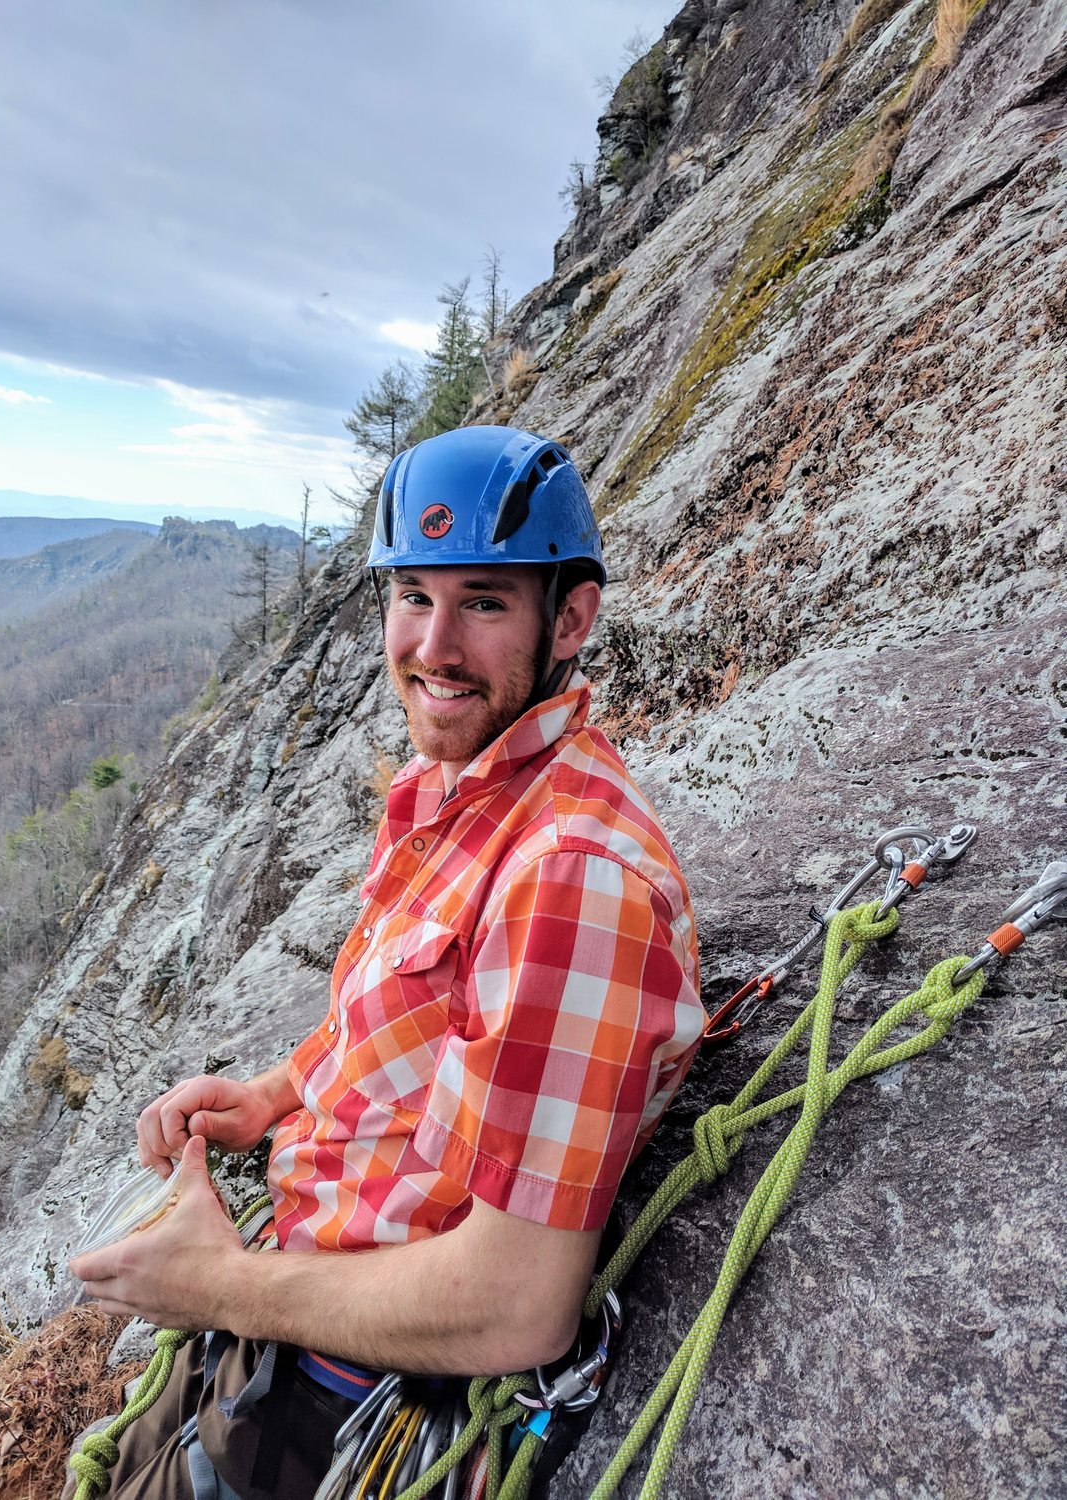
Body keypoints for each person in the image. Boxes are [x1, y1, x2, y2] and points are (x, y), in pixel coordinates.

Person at [68, 425, 703, 1499]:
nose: (434, 646)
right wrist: (275, 1092)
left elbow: (514, 1302)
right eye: (413, 595)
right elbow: (410, 1007)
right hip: (290, 1315)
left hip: (349, 1389)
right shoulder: (458, 792)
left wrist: (225, 1287)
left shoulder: (569, 878)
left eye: (485, 602)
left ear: (572, 619)